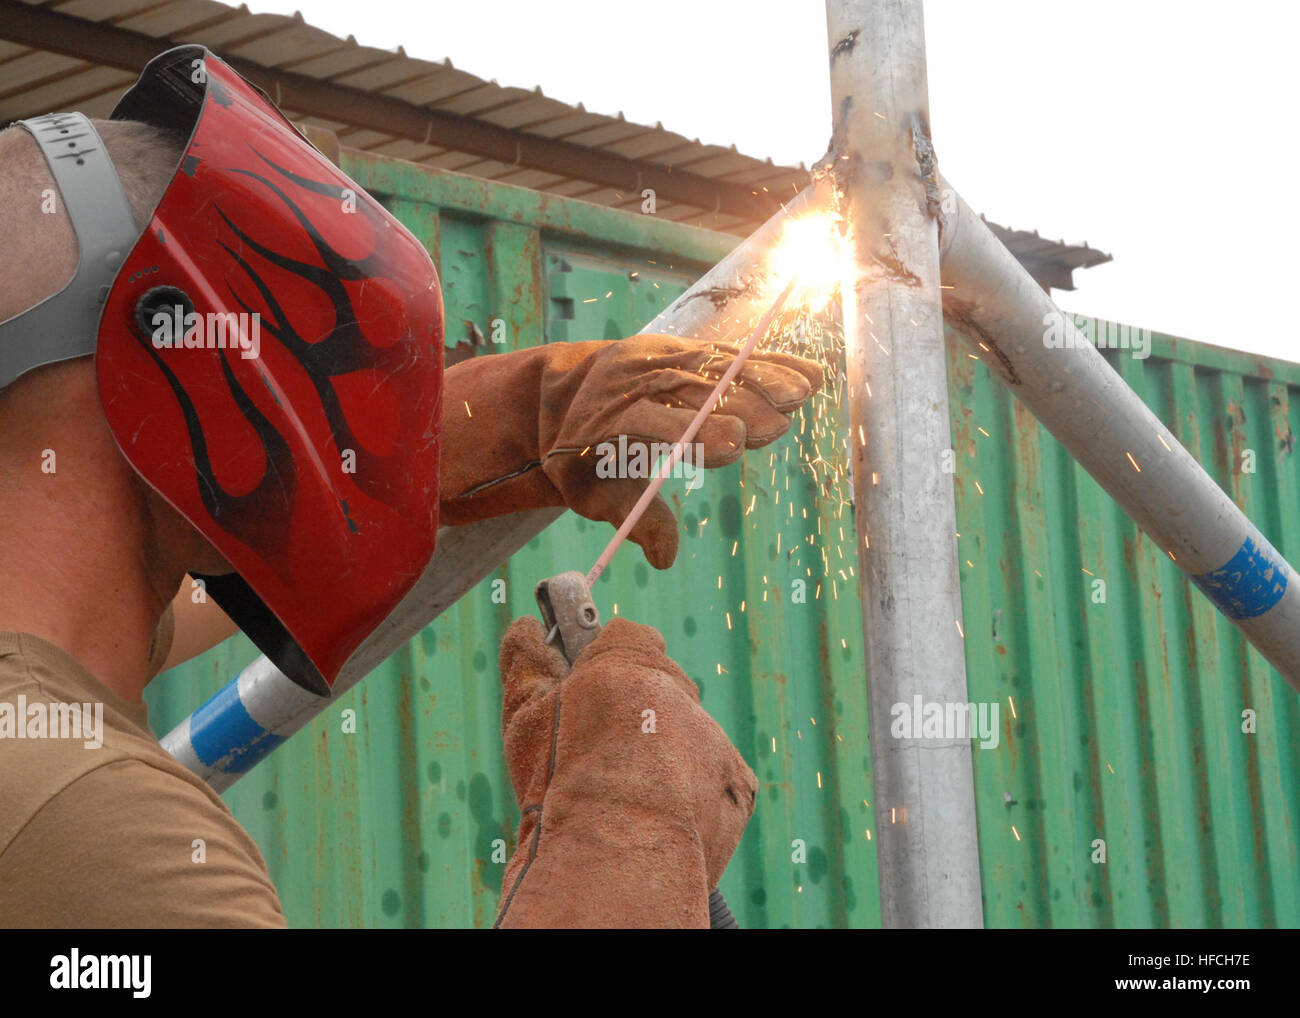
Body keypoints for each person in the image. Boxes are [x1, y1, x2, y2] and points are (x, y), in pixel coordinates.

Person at [0, 46, 820, 928]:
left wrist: (495, 424)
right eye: (273, 352)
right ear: (172, 352)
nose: (296, 400)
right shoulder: (91, 829)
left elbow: (146, 589)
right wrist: (623, 837)